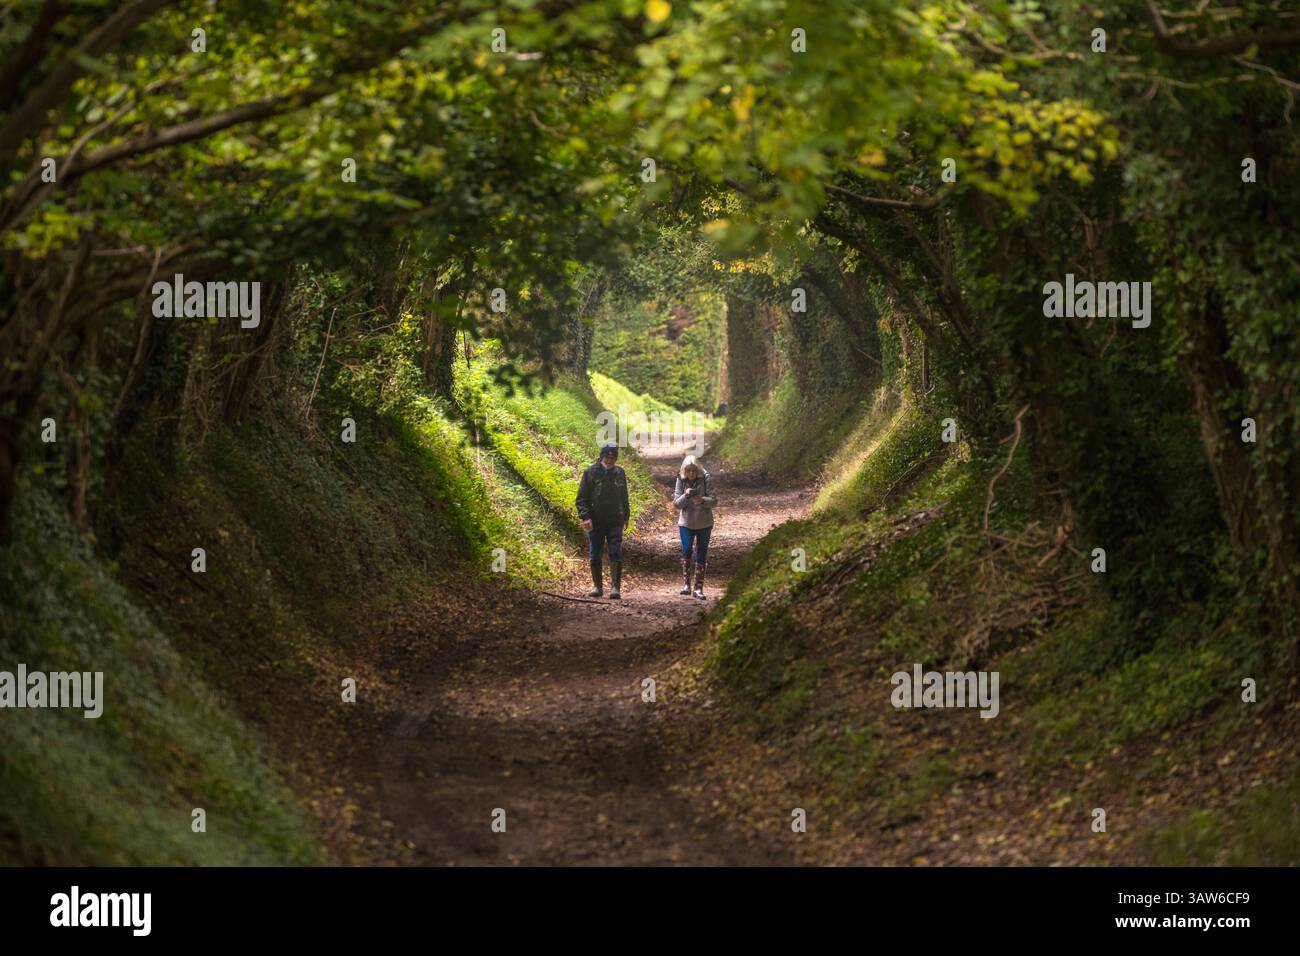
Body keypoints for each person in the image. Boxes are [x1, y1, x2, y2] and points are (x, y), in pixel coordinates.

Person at [575, 443, 630, 599]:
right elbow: (581, 499)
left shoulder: (620, 473)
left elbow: (624, 497)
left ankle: (615, 588)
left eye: (612, 457)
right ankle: (597, 587)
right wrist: (585, 517)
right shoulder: (590, 473)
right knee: (595, 553)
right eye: (607, 457)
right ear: (601, 457)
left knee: (616, 552)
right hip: (595, 521)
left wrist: (626, 516)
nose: (610, 460)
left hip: (615, 520)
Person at [673, 454, 716, 600]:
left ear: (697, 470)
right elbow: (676, 504)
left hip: (704, 522)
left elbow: (714, 501)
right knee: (686, 549)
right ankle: (686, 584)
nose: (691, 474)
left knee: (701, 551)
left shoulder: (706, 478)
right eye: (688, 471)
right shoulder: (680, 479)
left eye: (693, 471)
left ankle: (698, 587)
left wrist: (701, 500)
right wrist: (686, 495)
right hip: (686, 522)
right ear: (684, 471)